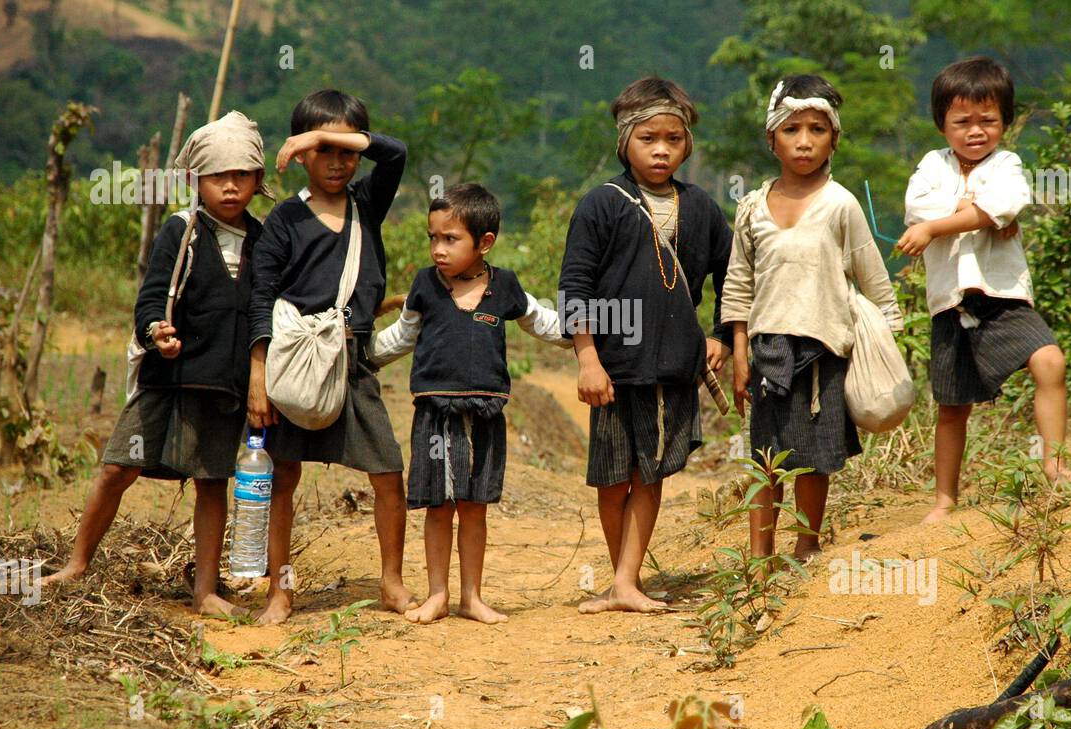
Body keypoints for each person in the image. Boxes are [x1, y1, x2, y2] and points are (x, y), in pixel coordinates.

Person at [44, 111, 270, 618]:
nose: (230, 187)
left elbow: (264, 309)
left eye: (241, 176)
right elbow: (151, 297)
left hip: (222, 386)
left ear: (258, 181)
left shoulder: (264, 240)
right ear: (197, 180)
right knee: (119, 466)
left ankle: (206, 590)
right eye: (218, 177)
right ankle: (78, 562)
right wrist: (156, 333)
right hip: (167, 379)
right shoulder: (181, 231)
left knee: (213, 482)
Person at [557, 76, 732, 614]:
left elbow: (734, 277)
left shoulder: (701, 208)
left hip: (669, 366)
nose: (661, 150)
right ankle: (623, 580)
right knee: (613, 478)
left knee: (648, 473)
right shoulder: (602, 205)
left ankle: (626, 581)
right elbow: (575, 285)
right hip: (612, 364)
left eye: (674, 140)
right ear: (624, 141)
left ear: (687, 144)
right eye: (648, 138)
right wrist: (587, 357)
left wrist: (721, 335)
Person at [248, 89, 414, 624]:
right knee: (283, 477)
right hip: (295, 364)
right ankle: (281, 590)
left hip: (354, 364)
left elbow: (396, 152)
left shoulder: (368, 203)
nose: (338, 161)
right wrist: (258, 375)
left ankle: (391, 582)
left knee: (388, 472)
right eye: (323, 150)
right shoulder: (284, 222)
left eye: (346, 147)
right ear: (301, 156)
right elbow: (260, 300)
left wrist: (323, 133)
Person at [898, 56, 1071, 525]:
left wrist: (951, 220)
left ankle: (1055, 464)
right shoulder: (930, 166)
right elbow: (917, 207)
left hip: (1002, 296)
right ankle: (944, 499)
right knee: (952, 406)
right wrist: (968, 210)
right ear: (942, 124)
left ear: (1006, 122)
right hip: (950, 301)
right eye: (962, 121)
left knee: (1050, 361)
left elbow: (1002, 205)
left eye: (989, 120)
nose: (976, 131)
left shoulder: (1008, 164)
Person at [723, 75, 903, 561]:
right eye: (791, 129)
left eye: (817, 130)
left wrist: (892, 344)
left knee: (812, 458)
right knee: (765, 458)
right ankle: (760, 558)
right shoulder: (751, 208)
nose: (804, 141)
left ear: (834, 139)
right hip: (767, 350)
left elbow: (873, 274)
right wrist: (739, 355)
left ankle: (806, 547)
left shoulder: (840, 203)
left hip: (823, 347)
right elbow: (738, 286)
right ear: (771, 139)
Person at [372, 183, 570, 624]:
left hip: (485, 413)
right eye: (432, 238)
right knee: (438, 507)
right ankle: (437, 594)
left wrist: (587, 336)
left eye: (450, 238)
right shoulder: (425, 285)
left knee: (474, 506)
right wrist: (360, 355)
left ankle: (472, 597)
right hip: (435, 413)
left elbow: (544, 323)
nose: (438, 249)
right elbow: (400, 338)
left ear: (485, 243)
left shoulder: (506, 288)